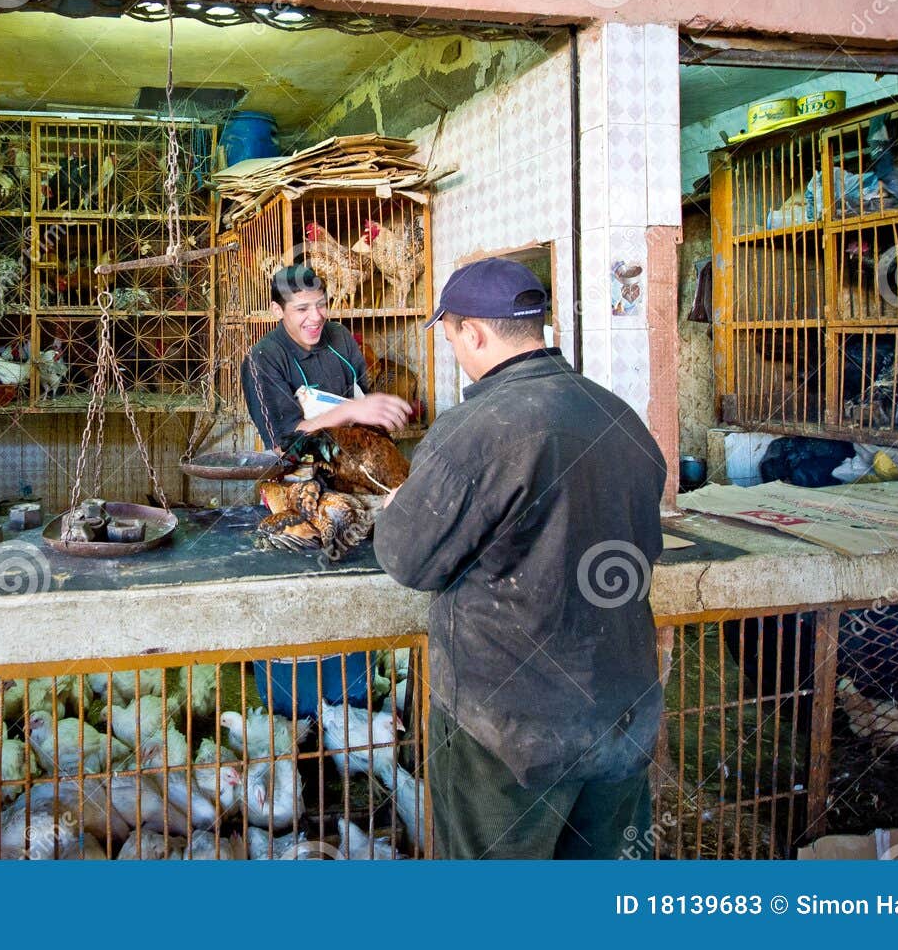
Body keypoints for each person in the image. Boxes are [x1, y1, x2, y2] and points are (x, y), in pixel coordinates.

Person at [374, 257, 667, 859]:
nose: (455, 348)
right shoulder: (621, 416)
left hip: (512, 732)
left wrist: (407, 503)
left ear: (473, 333)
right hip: (622, 711)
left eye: (451, 335)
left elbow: (406, 559)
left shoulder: (474, 429)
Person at [240, 264, 412, 451]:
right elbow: (282, 447)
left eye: (321, 305)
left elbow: (363, 398)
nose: (316, 317)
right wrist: (349, 410)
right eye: (302, 309)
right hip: (300, 470)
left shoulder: (340, 336)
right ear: (277, 310)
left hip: (352, 453)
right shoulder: (262, 359)